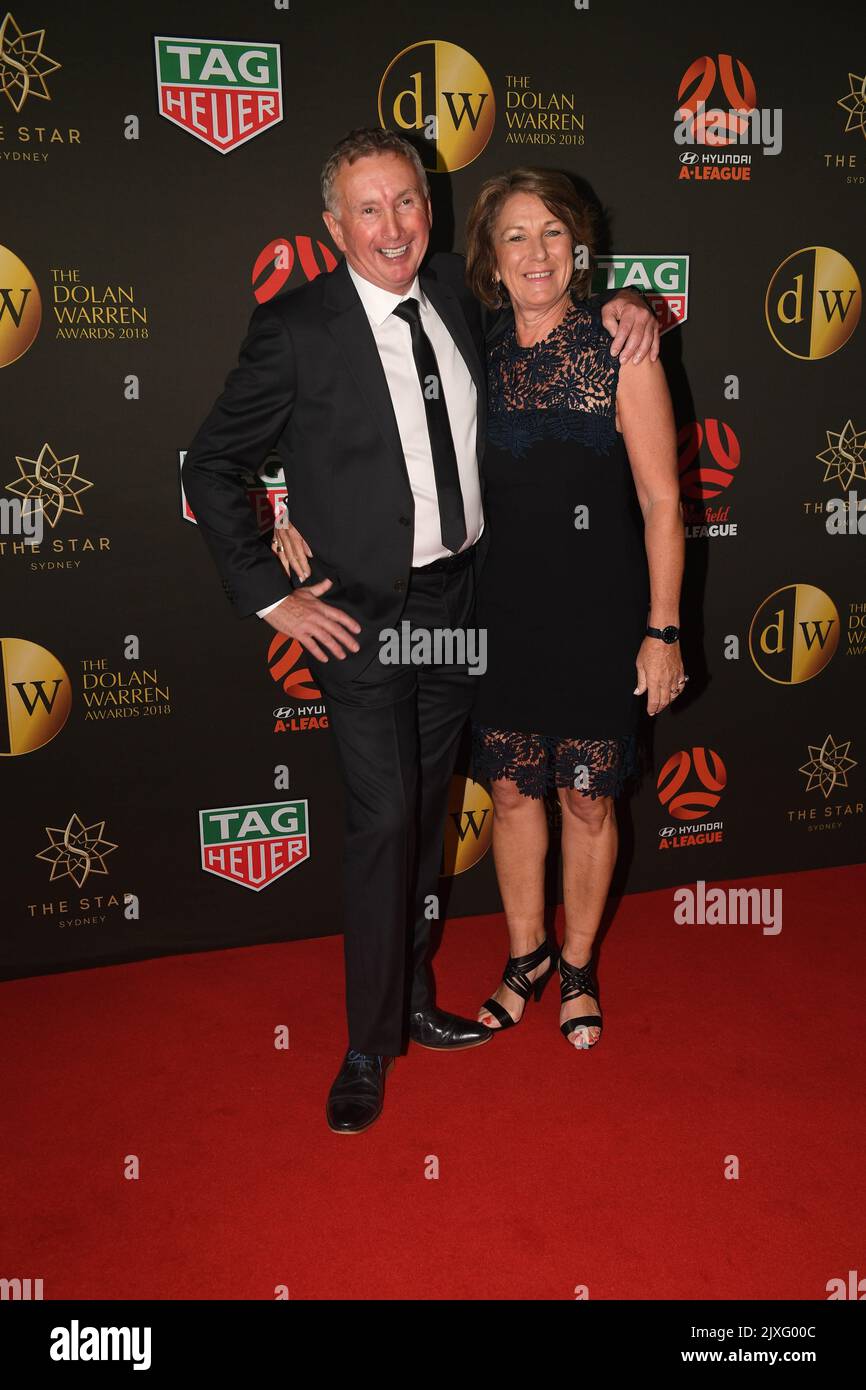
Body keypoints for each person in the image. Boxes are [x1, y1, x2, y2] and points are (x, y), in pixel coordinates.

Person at [181, 129, 658, 1133]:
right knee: (386, 819)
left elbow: (554, 291)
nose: (391, 225)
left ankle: (409, 996)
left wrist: (633, 307)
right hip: (360, 617)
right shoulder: (295, 327)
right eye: (368, 208)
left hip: (462, 609)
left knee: (433, 809)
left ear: (429, 217)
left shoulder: (454, 292)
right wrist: (272, 591)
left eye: (406, 203)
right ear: (332, 226)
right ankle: (365, 1044)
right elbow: (210, 463)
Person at [464, 167, 685, 1049]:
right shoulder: (471, 347)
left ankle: (580, 963)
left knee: (588, 800)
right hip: (500, 615)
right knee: (515, 790)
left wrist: (662, 630)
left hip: (600, 615)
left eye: (553, 232)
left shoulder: (617, 347)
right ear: (489, 254)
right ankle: (526, 958)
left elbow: (665, 501)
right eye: (516, 235)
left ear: (579, 247)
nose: (536, 252)